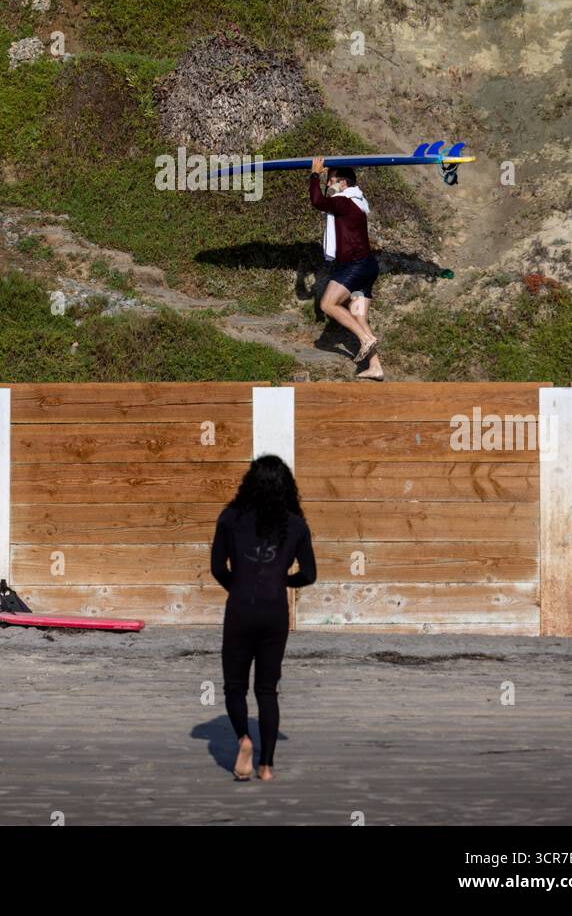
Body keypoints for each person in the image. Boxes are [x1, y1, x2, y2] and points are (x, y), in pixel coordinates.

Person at [210, 454, 317, 782]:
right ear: (286, 486)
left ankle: (244, 739)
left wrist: (239, 586)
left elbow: (218, 568)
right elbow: (309, 575)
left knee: (234, 687)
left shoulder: (229, 518)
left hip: (240, 609)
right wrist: (282, 581)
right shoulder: (296, 525)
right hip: (274, 613)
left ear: (249, 484)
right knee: (267, 690)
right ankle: (266, 767)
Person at [310, 156, 384, 380]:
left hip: (355, 266)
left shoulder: (343, 201)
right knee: (358, 316)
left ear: (343, 183)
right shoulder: (358, 202)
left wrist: (314, 174)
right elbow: (324, 201)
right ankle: (376, 367)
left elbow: (317, 201)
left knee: (327, 304)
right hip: (368, 268)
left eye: (330, 182)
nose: (327, 186)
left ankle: (365, 339)